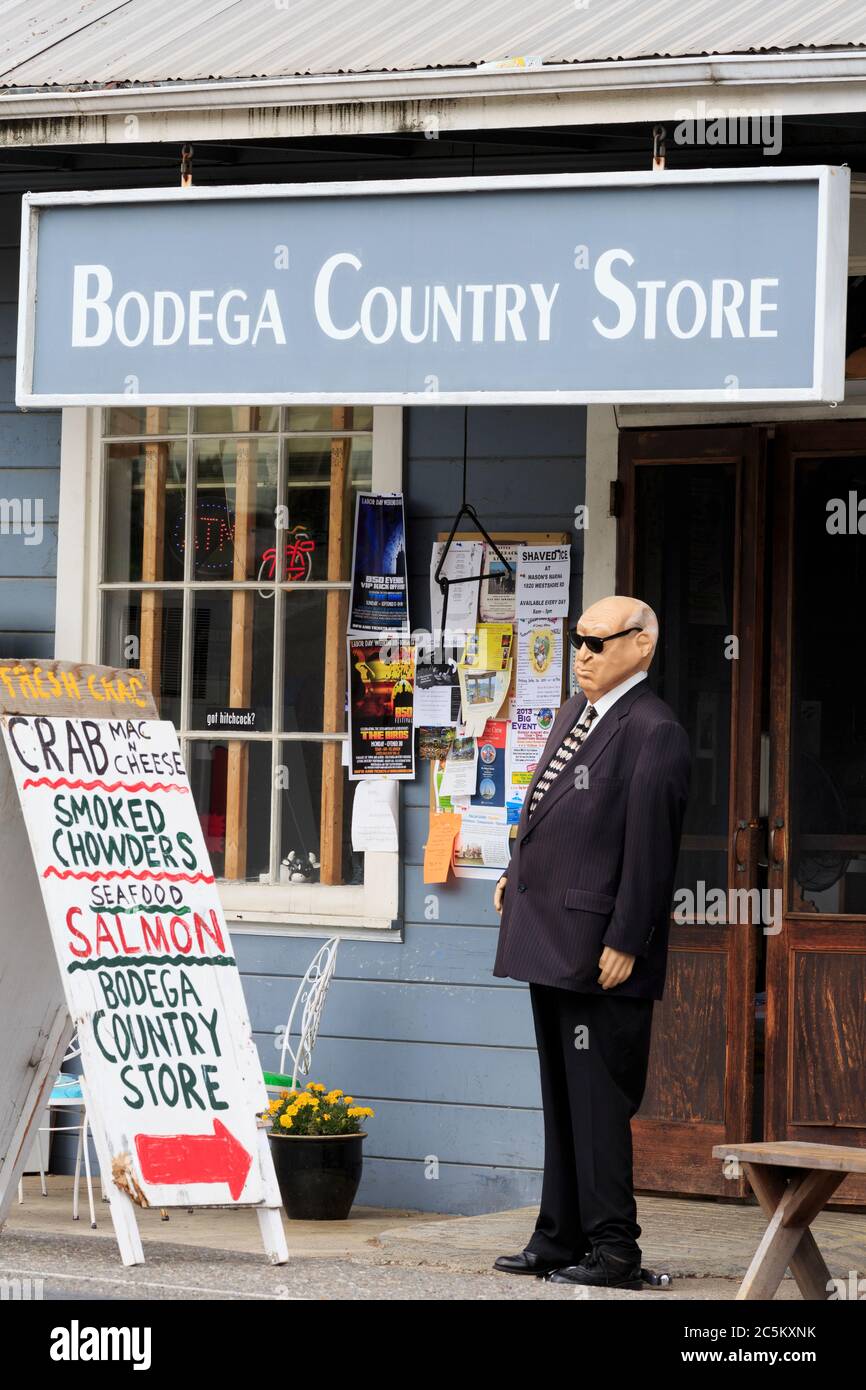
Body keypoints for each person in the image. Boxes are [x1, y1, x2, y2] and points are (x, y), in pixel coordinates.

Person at [491, 595, 691, 1288]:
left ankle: (615, 1252)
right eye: (578, 640)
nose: (582, 654)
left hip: (604, 946)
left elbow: (650, 847)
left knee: (601, 1101)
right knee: (562, 1094)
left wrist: (629, 938)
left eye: (597, 643)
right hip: (550, 932)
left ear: (641, 645)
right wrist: (517, 872)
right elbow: (548, 804)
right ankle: (558, 1237)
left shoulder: (652, 730)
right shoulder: (579, 713)